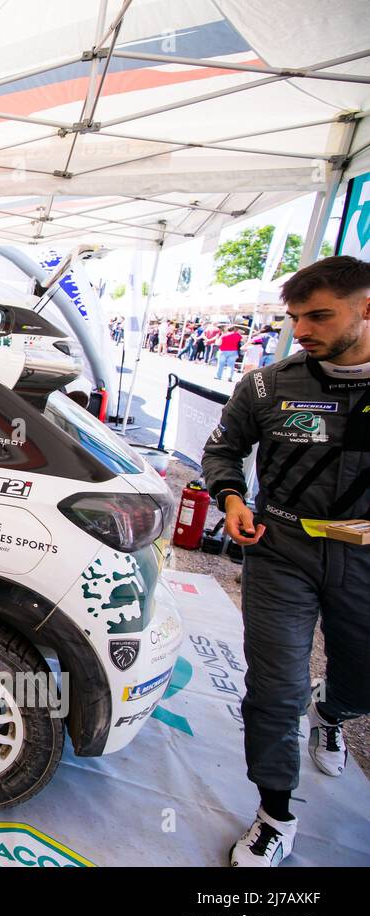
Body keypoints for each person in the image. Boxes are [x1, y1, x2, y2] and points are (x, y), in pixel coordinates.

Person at [201, 255, 370, 867]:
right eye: (296, 316)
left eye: (319, 315)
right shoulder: (268, 384)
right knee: (275, 688)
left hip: (366, 556)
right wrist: (230, 496)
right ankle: (275, 813)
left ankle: (335, 712)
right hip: (282, 549)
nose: (302, 329)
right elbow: (222, 448)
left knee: (362, 677)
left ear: (366, 309)